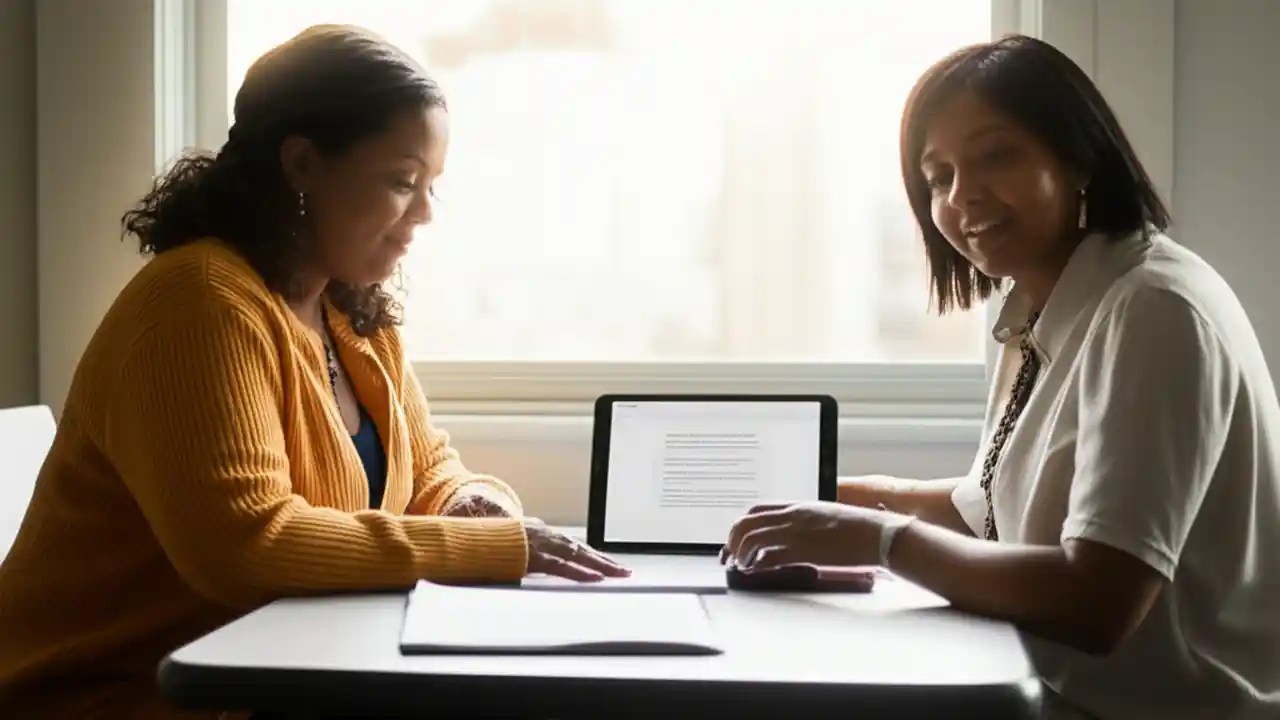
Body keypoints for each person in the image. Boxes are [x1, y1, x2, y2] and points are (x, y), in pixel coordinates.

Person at [0, 24, 627, 718]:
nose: (423, 214)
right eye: (401, 182)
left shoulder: (349, 315)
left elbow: (429, 471)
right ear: (301, 163)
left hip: (275, 683)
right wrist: (497, 548)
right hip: (121, 699)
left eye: (430, 188)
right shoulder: (200, 302)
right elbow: (247, 545)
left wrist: (479, 507)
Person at [722, 34, 1280, 720]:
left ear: (1076, 157)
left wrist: (877, 539)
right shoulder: (1042, 304)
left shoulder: (1154, 310)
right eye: (939, 177)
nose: (964, 197)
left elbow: (1097, 601)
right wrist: (829, 500)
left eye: (996, 156)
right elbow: (987, 507)